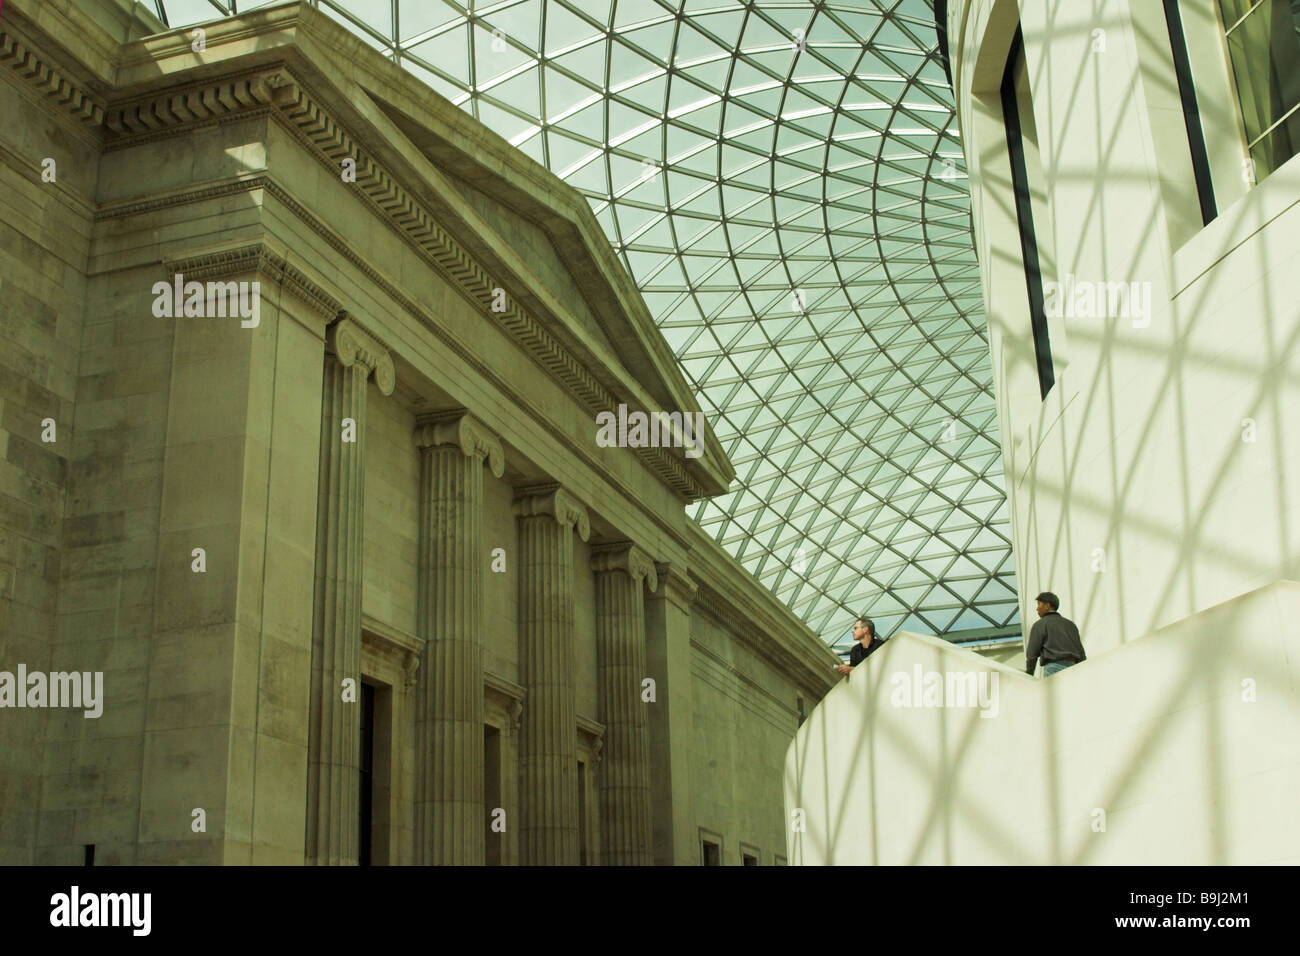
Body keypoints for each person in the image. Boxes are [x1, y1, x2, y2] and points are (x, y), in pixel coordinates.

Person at [1025, 592, 1086, 676]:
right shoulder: (1070, 624)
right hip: (1074, 669)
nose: (1037, 608)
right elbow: (1080, 651)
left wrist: (1029, 674)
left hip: (1053, 668)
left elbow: (1032, 654)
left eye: (1039, 604)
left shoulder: (1040, 625)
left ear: (1047, 606)